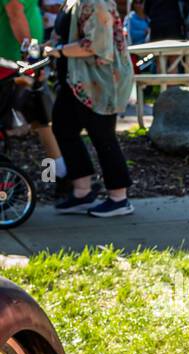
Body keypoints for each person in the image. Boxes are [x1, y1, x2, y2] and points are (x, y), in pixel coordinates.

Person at [46, 0, 134, 217]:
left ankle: (119, 197)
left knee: (102, 136)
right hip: (74, 79)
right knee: (63, 128)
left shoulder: (96, 2)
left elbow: (95, 44)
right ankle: (83, 191)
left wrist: (58, 51)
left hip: (99, 82)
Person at [1, 0, 66, 184]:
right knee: (39, 117)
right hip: (13, 66)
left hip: (18, 65)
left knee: (40, 119)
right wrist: (31, 57)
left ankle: (57, 174)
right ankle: (59, 174)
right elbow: (15, 14)